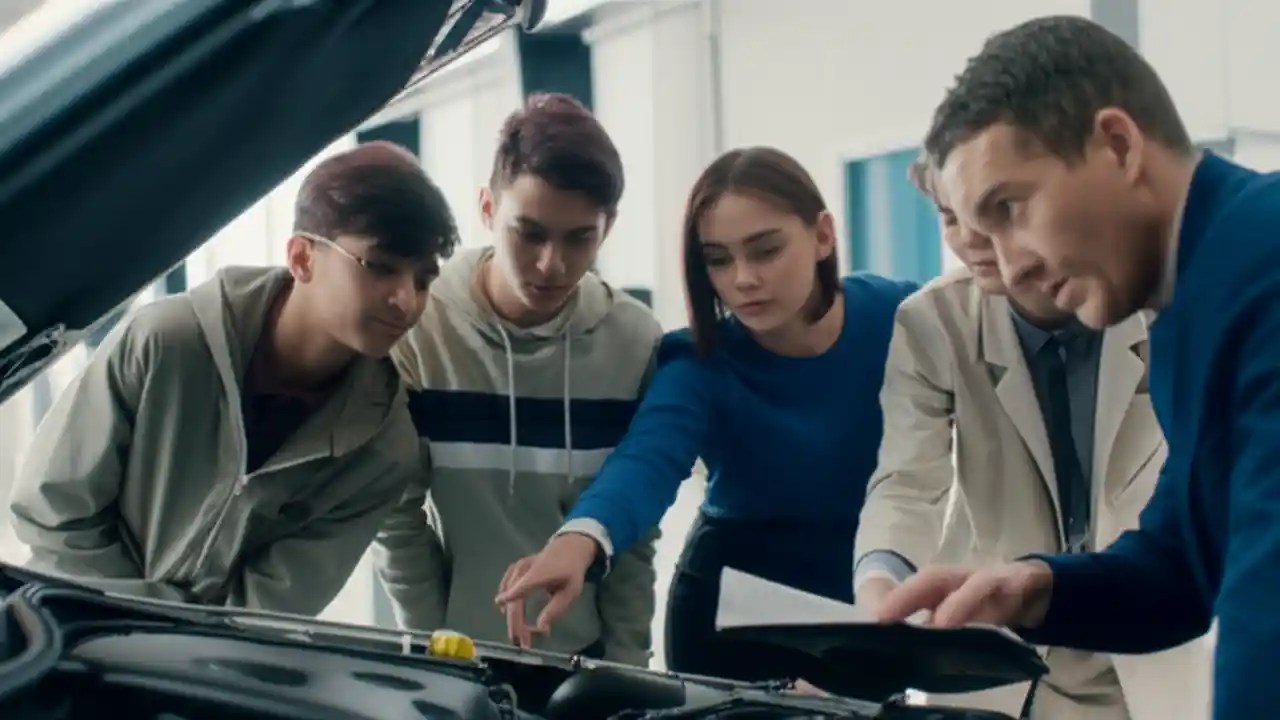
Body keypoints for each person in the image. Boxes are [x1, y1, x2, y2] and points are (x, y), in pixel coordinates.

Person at [874, 15, 1280, 720]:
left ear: (1117, 145)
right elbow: (1184, 562)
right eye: (978, 231)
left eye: (1011, 208)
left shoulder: (1261, 267)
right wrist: (1035, 588)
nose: (1009, 265)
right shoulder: (1194, 297)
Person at [494, 146, 919, 684]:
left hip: (870, 591)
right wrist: (575, 542)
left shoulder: (903, 318)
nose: (742, 279)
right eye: (718, 259)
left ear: (824, 236)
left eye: (766, 251)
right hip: (732, 608)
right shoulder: (702, 361)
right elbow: (646, 459)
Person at [7, 141, 456, 616]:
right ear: (303, 258)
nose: (406, 300)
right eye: (381, 267)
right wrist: (134, 625)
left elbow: (268, 614)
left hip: (208, 675)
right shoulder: (166, 343)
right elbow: (53, 514)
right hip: (68, 633)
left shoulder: (383, 451)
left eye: (424, 280)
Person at [853, 155, 1211, 720]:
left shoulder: (1168, 305)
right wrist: (881, 582)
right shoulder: (931, 323)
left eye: (994, 211)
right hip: (1006, 657)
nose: (971, 240)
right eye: (950, 217)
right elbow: (907, 482)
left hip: (1150, 641)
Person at [372, 93, 662, 667]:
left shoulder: (633, 341)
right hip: (454, 656)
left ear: (609, 228)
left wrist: (629, 672)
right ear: (486, 207)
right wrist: (438, 642)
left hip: (588, 662)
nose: (551, 264)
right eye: (529, 233)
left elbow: (634, 536)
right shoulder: (419, 329)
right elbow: (394, 514)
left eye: (580, 237)